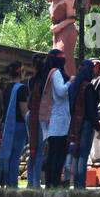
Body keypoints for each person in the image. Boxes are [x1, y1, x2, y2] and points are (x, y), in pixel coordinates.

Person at [67, 59, 100, 188]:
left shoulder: (73, 86)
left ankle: (76, 183)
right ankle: (80, 184)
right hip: (85, 124)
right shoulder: (88, 87)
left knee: (76, 153)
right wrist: (98, 128)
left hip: (74, 123)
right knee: (83, 154)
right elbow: (91, 111)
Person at [42, 50, 72, 187]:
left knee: (53, 154)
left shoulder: (49, 73)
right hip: (59, 121)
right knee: (58, 154)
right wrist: (70, 82)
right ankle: (53, 182)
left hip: (56, 121)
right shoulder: (57, 73)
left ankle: (51, 182)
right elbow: (60, 91)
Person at [0, 62, 30, 187]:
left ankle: (6, 181)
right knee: (15, 156)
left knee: (7, 154)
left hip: (7, 125)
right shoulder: (21, 88)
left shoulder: (6, 88)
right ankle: (12, 183)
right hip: (19, 126)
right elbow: (24, 110)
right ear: (21, 72)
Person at [26, 55, 48, 188]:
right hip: (41, 116)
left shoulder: (30, 81)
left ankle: (30, 182)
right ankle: (35, 182)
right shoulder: (45, 81)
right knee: (39, 150)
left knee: (32, 149)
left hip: (31, 115)